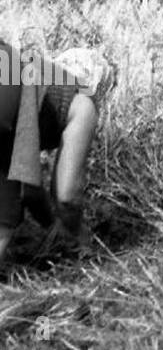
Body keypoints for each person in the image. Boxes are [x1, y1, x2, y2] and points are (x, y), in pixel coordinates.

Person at [0, 42, 107, 268]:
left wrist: (49, 225)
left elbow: (29, 188)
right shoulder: (84, 102)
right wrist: (80, 237)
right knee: (5, 218)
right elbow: (68, 197)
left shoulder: (39, 77)